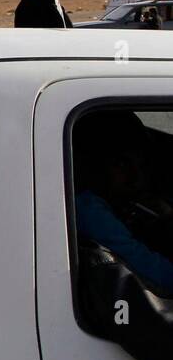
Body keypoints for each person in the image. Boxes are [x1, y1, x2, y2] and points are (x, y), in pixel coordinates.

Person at [74, 110, 173, 292]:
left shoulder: (106, 204)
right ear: (95, 163)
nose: (135, 175)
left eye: (141, 165)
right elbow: (151, 271)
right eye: (121, 164)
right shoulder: (89, 211)